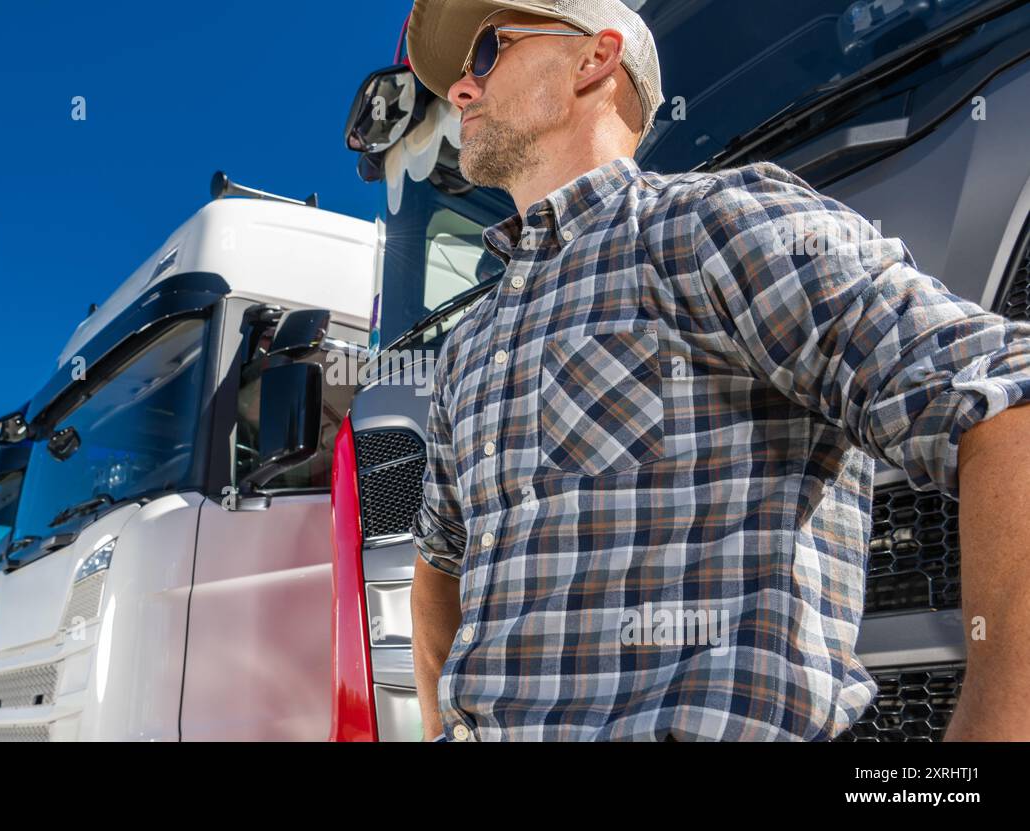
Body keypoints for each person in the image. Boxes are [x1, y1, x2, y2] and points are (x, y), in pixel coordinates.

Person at [405, 0, 1030, 741]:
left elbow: (998, 391)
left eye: (485, 54)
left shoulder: (710, 226)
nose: (462, 92)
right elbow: (440, 562)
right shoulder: (470, 344)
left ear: (593, 60)